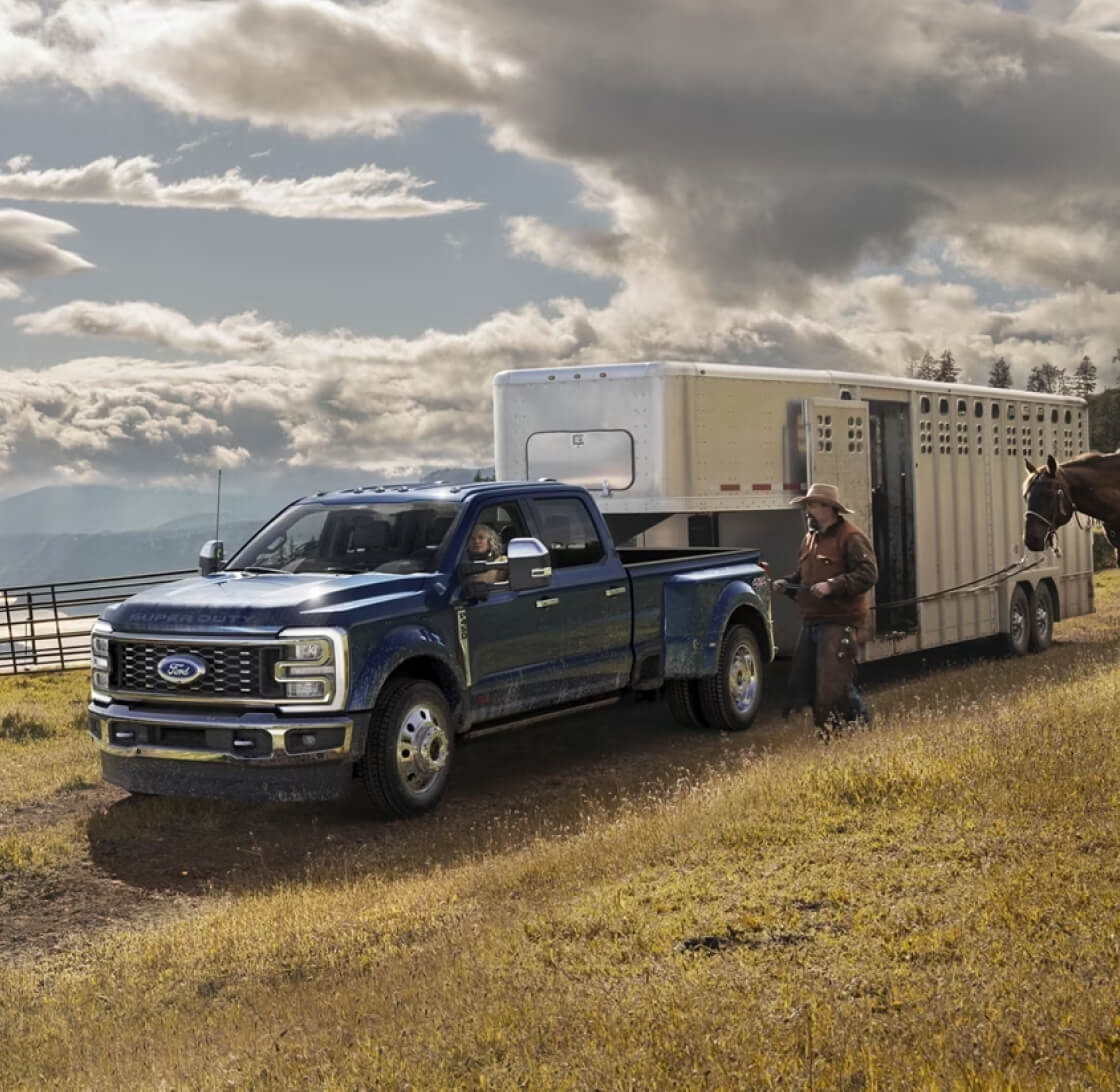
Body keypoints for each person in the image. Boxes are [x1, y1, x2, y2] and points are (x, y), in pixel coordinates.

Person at [772, 483, 879, 736]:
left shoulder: (851, 537)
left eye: (813, 505)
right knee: (807, 681)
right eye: (808, 505)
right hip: (813, 621)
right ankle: (841, 731)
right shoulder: (810, 538)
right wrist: (787, 584)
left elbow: (868, 574)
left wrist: (833, 586)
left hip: (839, 621)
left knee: (833, 684)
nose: (808, 510)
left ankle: (857, 729)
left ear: (829, 509)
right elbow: (805, 577)